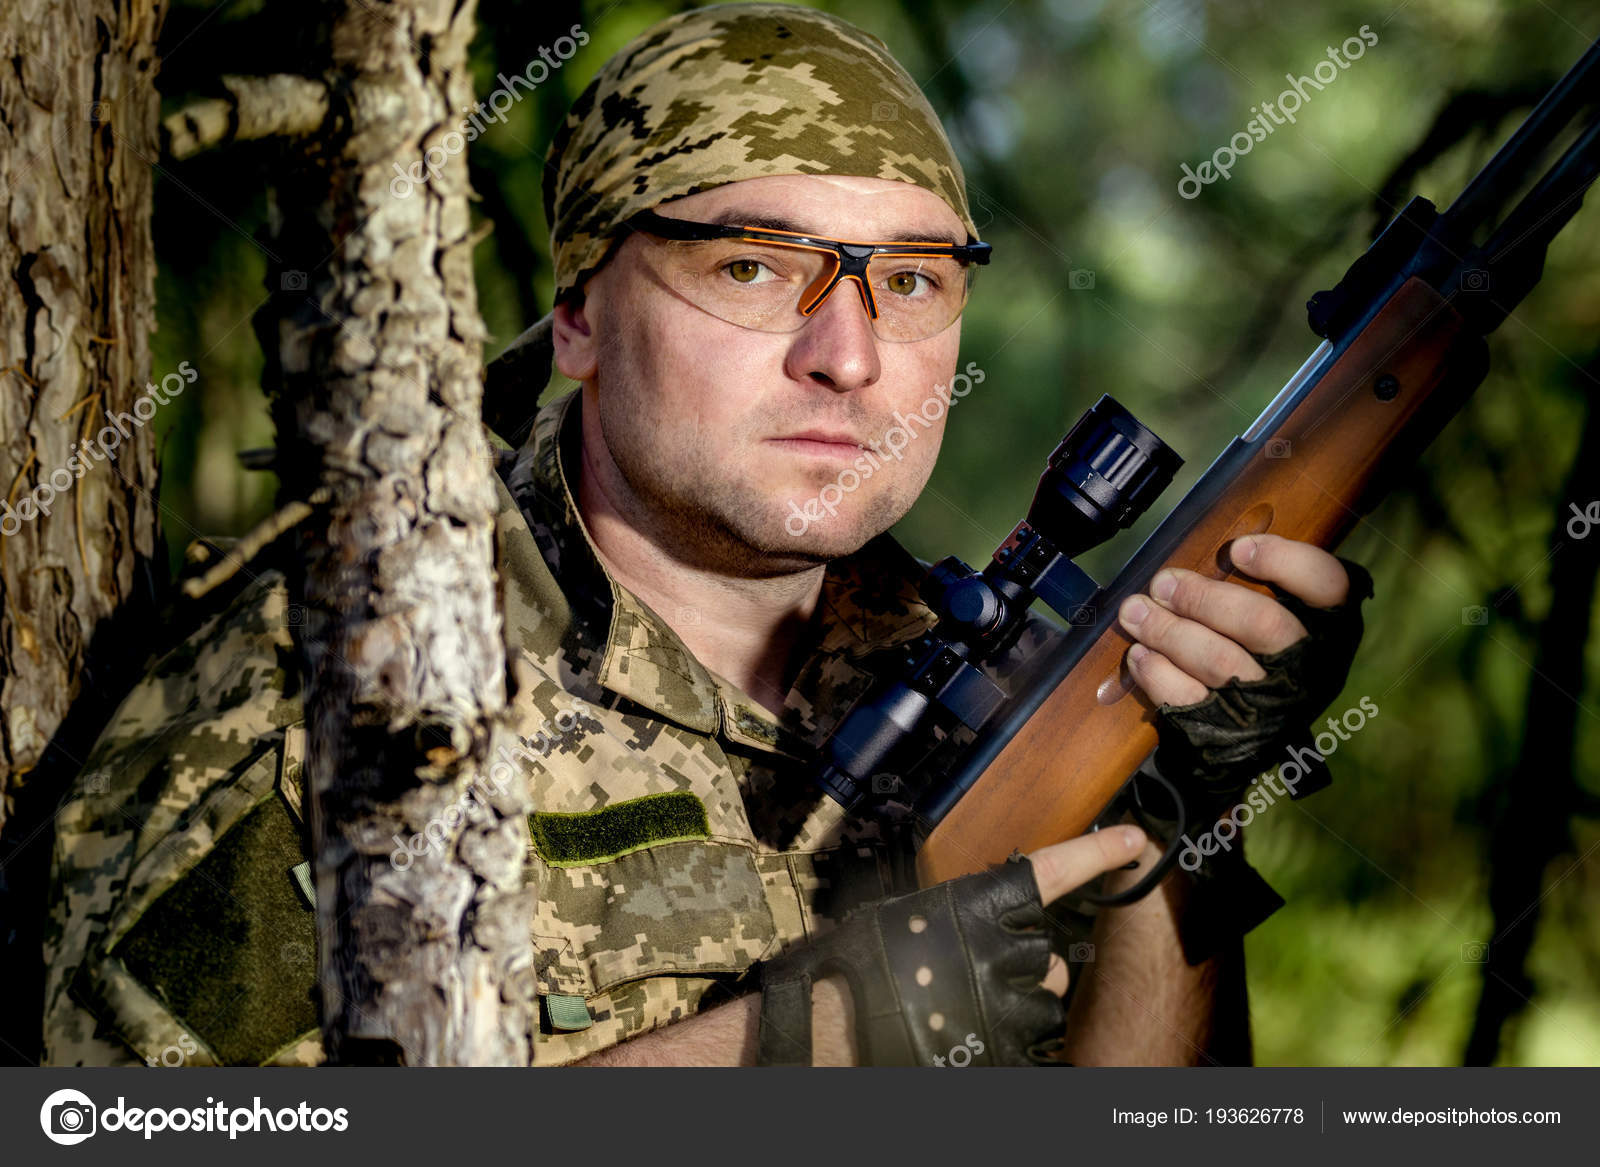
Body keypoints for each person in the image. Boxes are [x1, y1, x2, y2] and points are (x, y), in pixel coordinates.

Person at [42, 2, 1370, 1068]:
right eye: (753, 268)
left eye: (909, 281)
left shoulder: (1004, 690)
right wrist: (800, 1041)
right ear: (577, 317)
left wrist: (1177, 807)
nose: (847, 355)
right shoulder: (335, 696)